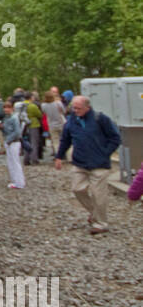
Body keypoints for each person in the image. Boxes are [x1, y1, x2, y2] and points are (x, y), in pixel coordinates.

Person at [54, 95, 121, 234]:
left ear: (87, 107)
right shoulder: (71, 120)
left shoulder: (100, 118)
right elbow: (65, 140)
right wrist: (59, 156)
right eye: (73, 107)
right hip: (80, 162)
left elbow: (115, 137)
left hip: (99, 164)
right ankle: (95, 214)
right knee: (77, 189)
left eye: (78, 108)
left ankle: (101, 224)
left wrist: (105, 152)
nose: (75, 110)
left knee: (98, 195)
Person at [0, 101, 26, 188]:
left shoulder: (14, 118)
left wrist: (9, 139)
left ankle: (20, 182)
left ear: (12, 109)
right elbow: (6, 131)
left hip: (14, 142)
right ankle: (14, 180)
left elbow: (17, 132)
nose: (6, 110)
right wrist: (1, 127)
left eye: (8, 108)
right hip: (8, 141)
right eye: (5, 108)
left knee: (15, 162)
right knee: (10, 162)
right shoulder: (6, 118)